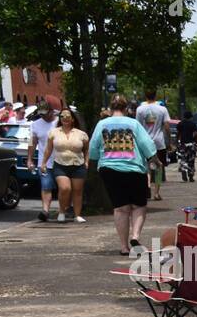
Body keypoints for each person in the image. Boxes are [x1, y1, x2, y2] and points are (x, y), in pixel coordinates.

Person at [88, 94, 157, 255]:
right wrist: (154, 159)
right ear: (126, 108)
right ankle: (135, 236)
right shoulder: (133, 124)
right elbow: (147, 145)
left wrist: (96, 158)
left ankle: (124, 247)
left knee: (120, 208)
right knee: (138, 205)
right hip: (133, 168)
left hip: (109, 169)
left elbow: (93, 149)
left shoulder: (101, 124)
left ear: (111, 108)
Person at [44, 108, 89, 223]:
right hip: (60, 164)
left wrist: (86, 162)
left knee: (77, 191)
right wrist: (44, 162)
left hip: (78, 164)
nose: (65, 119)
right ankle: (62, 211)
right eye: (62, 116)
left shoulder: (81, 134)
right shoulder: (54, 133)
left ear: (73, 119)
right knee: (65, 188)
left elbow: (86, 150)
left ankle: (77, 215)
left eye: (68, 116)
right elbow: (48, 149)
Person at [26, 102, 59, 222]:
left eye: (45, 114)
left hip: (61, 160)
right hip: (44, 162)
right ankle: (45, 210)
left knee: (64, 187)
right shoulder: (35, 125)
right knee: (46, 186)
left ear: (51, 111)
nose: (43, 116)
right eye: (41, 114)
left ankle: (64, 210)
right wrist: (30, 159)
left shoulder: (59, 122)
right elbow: (32, 142)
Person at [136, 90, 170, 200]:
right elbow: (167, 126)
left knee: (146, 167)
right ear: (156, 96)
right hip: (159, 142)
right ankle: (156, 192)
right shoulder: (162, 109)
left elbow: (137, 126)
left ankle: (147, 188)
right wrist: (168, 141)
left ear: (145, 95)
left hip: (144, 142)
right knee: (158, 167)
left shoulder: (140, 109)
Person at [175, 110, 197, 181]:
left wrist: (177, 142)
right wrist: (196, 142)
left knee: (183, 159)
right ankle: (191, 176)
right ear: (191, 117)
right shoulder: (193, 124)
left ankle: (184, 172)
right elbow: (195, 134)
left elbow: (178, 133)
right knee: (191, 160)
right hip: (191, 144)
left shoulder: (180, 124)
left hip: (183, 144)